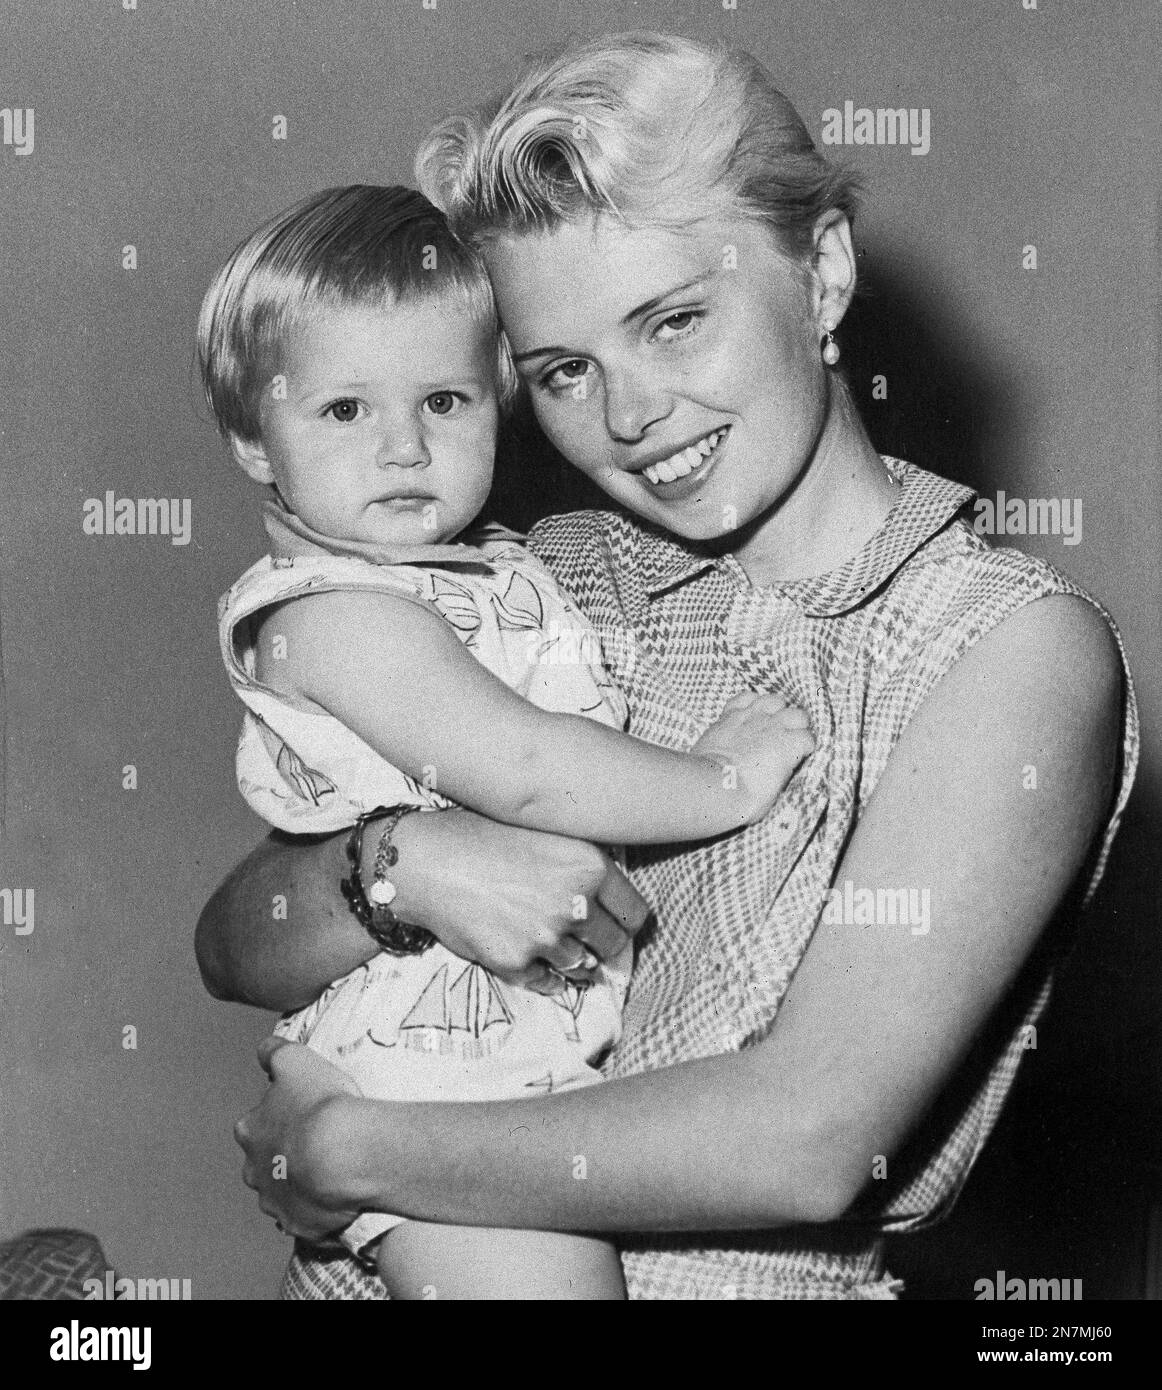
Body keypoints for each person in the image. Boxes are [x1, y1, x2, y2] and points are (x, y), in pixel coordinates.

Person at [199, 31, 1139, 1300]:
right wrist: (393, 868)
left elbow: (811, 1141)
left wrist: (354, 1148)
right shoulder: (557, 573)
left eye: (675, 320)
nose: (628, 415)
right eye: (565, 372)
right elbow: (234, 943)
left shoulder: (1006, 646)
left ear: (821, 276)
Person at [200, 182, 814, 1300]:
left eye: (443, 401)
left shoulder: (503, 566)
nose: (401, 446)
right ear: (253, 436)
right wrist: (720, 777)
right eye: (344, 410)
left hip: (525, 1055)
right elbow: (523, 770)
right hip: (435, 1073)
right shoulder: (330, 611)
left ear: (497, 399)